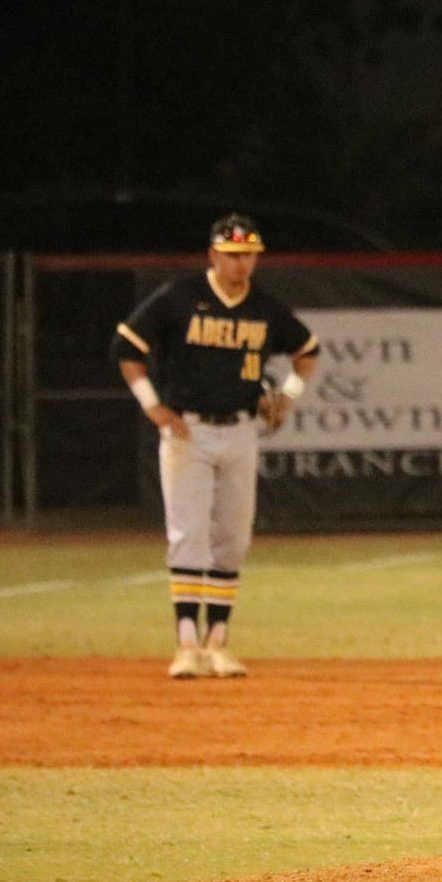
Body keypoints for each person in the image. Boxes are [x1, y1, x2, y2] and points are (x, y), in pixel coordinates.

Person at [111, 213, 321, 679]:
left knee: (231, 539)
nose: (241, 264)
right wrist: (153, 406)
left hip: (242, 430)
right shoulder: (181, 298)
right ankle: (186, 645)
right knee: (188, 536)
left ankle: (218, 643)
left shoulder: (264, 308)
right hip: (189, 430)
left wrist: (288, 396)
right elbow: (126, 348)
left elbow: (307, 351)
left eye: (248, 255)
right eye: (231, 255)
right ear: (213, 255)